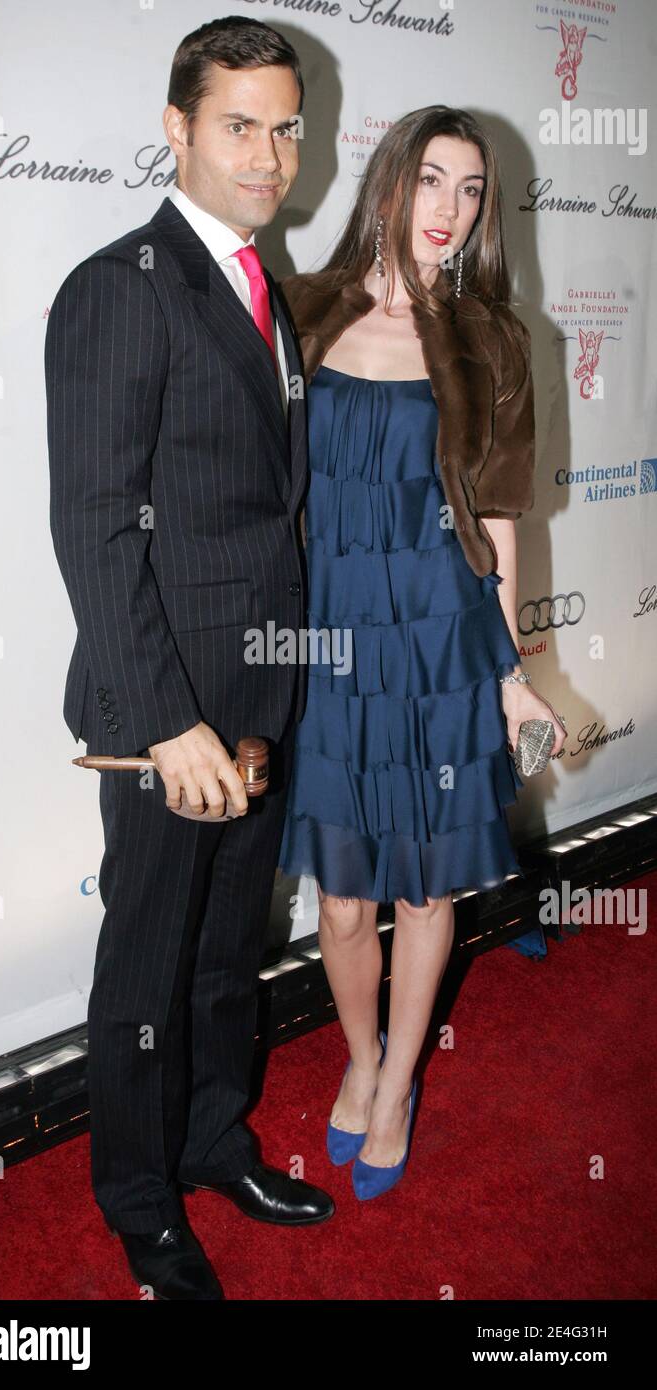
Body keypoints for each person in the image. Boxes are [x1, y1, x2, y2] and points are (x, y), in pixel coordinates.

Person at [45, 16, 333, 1302]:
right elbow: (96, 524)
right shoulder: (123, 285)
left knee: (227, 954)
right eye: (238, 125)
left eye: (285, 126)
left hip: (259, 690)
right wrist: (169, 722)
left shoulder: (267, 288)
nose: (268, 155)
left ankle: (215, 1142)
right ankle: (140, 1204)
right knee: (147, 966)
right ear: (177, 129)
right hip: (167, 713)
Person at [278, 106, 567, 1201]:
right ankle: (359, 1059)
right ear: (389, 185)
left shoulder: (492, 337)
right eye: (432, 180)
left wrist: (507, 668)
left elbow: (497, 520)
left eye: (472, 191)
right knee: (344, 899)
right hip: (329, 644)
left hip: (442, 643)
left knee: (427, 889)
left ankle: (398, 1082)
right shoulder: (299, 311)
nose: (448, 211)